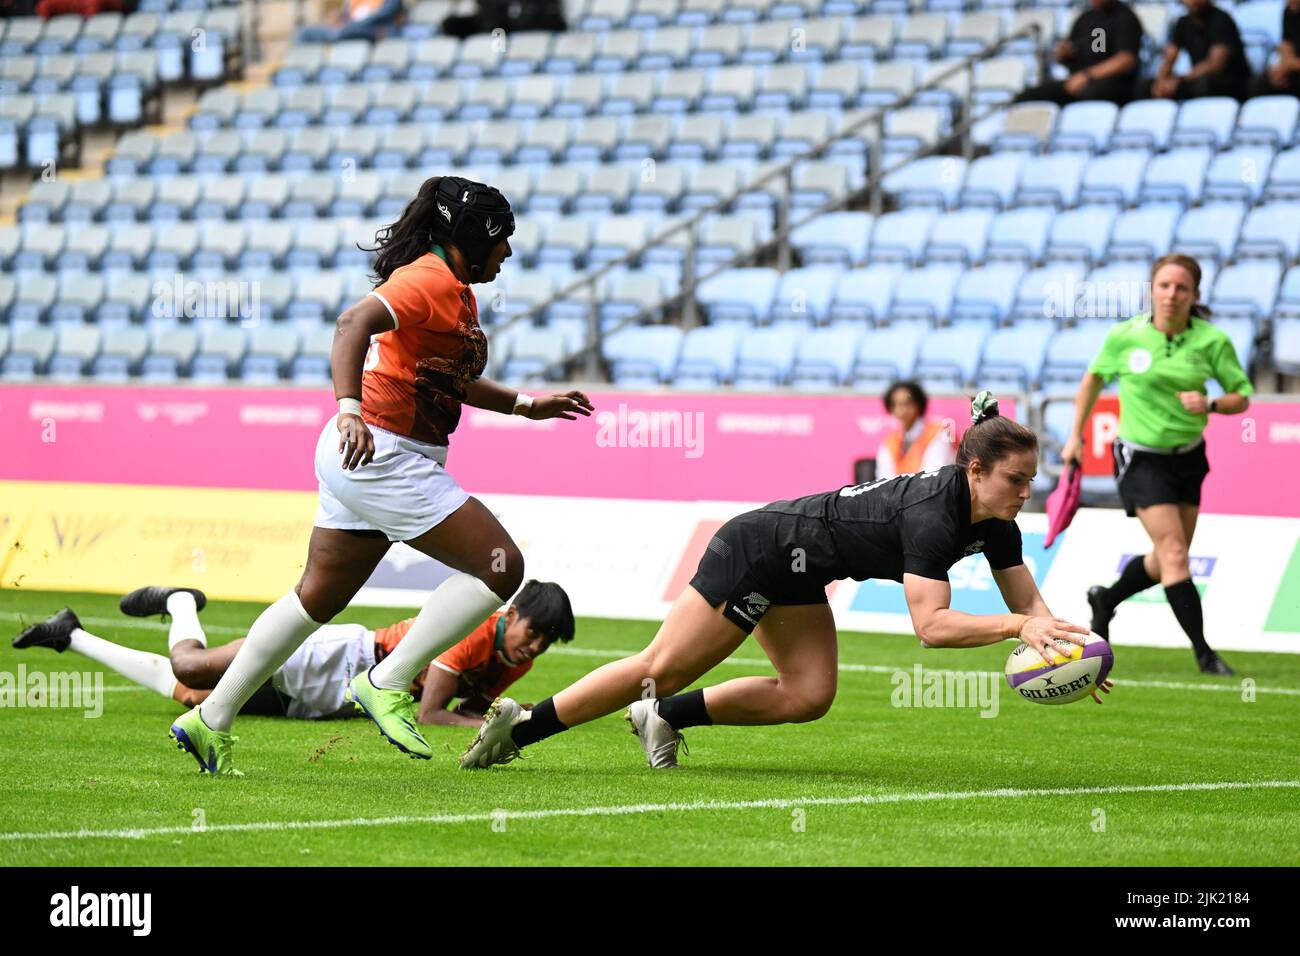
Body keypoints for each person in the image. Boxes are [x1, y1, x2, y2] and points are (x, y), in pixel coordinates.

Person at [166, 175, 593, 776]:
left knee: (315, 599)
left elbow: (452, 379)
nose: (510, 253)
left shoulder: (454, 291)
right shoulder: (427, 279)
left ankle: (210, 718)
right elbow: (350, 325)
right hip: (383, 453)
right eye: (505, 240)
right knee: (501, 567)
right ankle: (388, 679)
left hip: (367, 458)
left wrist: (527, 405)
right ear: (477, 234)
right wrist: (349, 412)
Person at [461, 392, 1112, 771]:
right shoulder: (933, 514)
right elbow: (931, 627)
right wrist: (1019, 627)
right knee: (659, 665)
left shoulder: (995, 520)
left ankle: (659, 719)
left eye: (1032, 480)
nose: (1029, 491)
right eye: (1016, 480)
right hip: (760, 549)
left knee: (808, 695)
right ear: (974, 470)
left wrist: (1070, 647)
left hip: (803, 570)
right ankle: (518, 730)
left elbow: (1028, 602)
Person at [13, 583, 574, 728]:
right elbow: (432, 713)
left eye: (546, 642)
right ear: (513, 613)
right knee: (190, 667)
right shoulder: (477, 629)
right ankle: (182, 602)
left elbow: (463, 709)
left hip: (337, 700)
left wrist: (488, 719)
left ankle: (71, 636)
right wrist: (501, 725)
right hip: (342, 658)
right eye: (535, 632)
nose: (535, 646)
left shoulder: (516, 658)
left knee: (192, 697)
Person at [1061, 254, 1252, 675]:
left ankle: (1105, 599)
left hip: (1189, 456)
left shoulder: (1212, 341)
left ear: (1195, 295)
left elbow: (1242, 395)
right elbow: (1093, 378)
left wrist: (1213, 403)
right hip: (1139, 458)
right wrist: (1075, 435)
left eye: (1181, 287)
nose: (1171, 294)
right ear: (1152, 289)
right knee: (1175, 551)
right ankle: (1205, 653)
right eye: (1164, 285)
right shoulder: (1124, 335)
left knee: (1167, 555)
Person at [1014, 0, 1144, 106]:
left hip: (1114, 84)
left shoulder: (1125, 17)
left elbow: (1126, 60)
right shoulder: (1085, 18)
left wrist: (1087, 75)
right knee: (1029, 96)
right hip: (1079, 80)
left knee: (1091, 93)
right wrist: (1063, 55)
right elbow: (1072, 51)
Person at [1146, 0, 1253, 101]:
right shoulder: (1182, 23)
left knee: (1204, 84)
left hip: (1232, 81)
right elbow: (1170, 57)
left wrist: (1179, 80)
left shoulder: (1221, 19)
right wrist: (1161, 81)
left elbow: (1216, 64)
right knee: (1148, 86)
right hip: (1197, 79)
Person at [875, 381, 957, 480]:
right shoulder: (889, 441)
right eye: (895, 404)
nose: (901, 409)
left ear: (918, 404)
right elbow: (884, 479)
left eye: (906, 403)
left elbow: (936, 476)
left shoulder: (940, 432)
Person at [1250, 0, 1300, 97]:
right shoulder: (1290, 11)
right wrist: (1282, 68)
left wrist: (1290, 65)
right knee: (1260, 84)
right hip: (1294, 69)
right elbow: (1286, 43)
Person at [296, 0, 405, 44]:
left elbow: (383, 14)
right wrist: (339, 18)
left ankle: (336, 35)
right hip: (349, 27)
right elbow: (348, 15)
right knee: (304, 33)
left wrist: (355, 23)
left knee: (349, 30)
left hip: (373, 30)